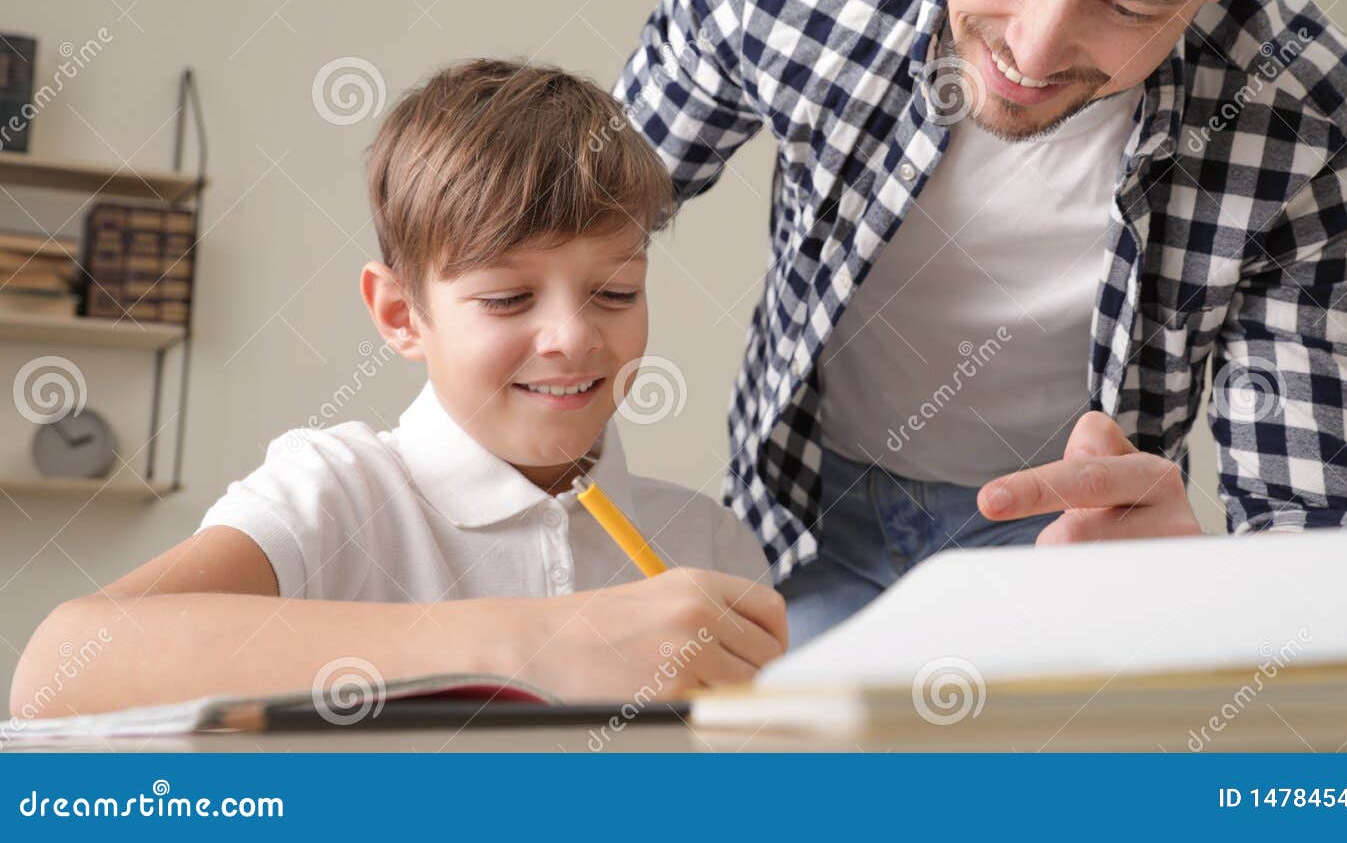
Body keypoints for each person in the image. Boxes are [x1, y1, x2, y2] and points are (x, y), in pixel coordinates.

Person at [617, 0, 1347, 646]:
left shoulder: (1304, 118)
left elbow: (1324, 548)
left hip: (1074, 568)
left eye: (1129, 8)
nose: (1032, 50)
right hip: (802, 528)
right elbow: (576, 216)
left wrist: (1207, 588)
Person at [10, 59, 786, 718]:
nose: (574, 337)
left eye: (616, 293)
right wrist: (539, 644)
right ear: (399, 313)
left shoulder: (709, 544)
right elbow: (57, 672)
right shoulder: (335, 495)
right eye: (508, 298)